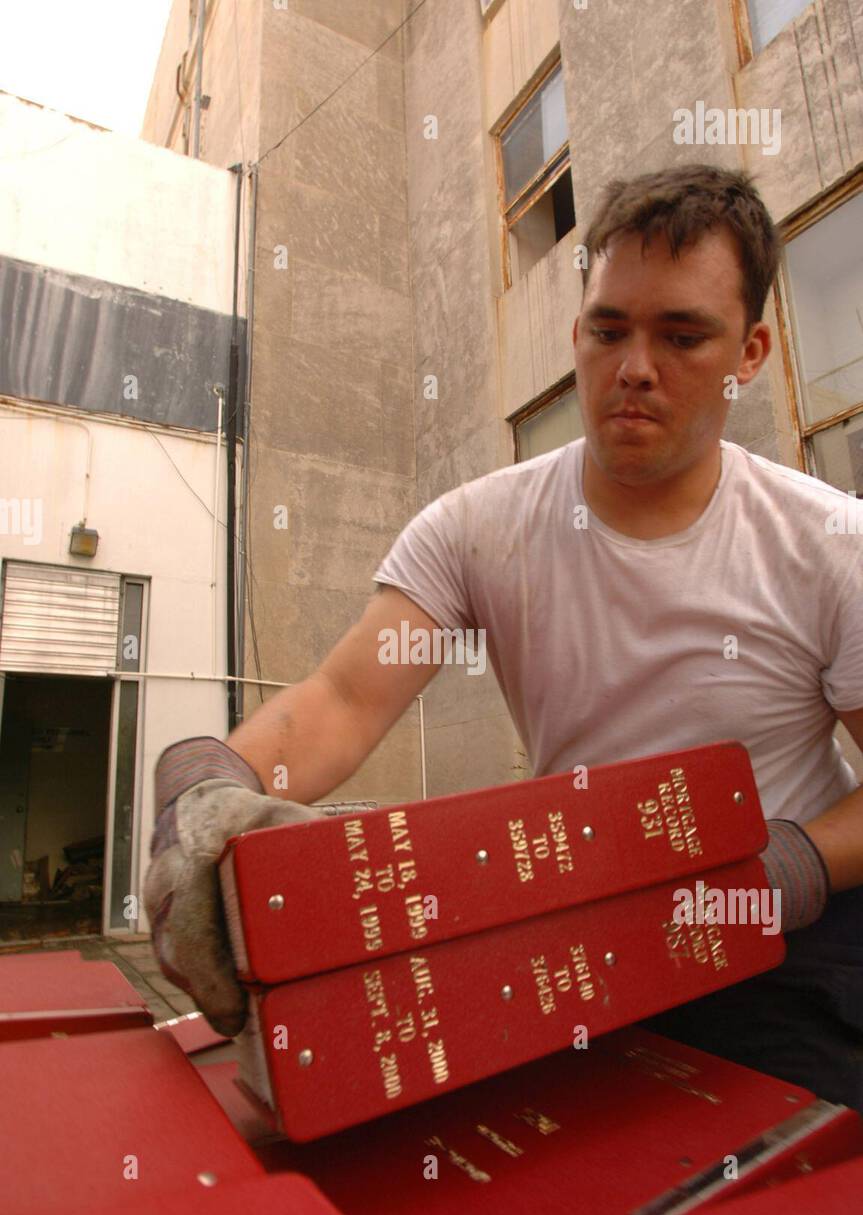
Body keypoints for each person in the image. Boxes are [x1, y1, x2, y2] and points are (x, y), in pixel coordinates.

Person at [144, 163, 863, 1109]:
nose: (634, 366)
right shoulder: (478, 528)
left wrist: (783, 865)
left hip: (784, 948)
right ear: (577, 334)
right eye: (609, 330)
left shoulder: (827, 544)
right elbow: (344, 702)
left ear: (752, 350)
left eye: (682, 336)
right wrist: (209, 782)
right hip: (581, 933)